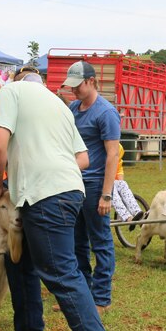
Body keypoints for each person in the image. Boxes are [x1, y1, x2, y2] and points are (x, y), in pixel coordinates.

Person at [0, 72, 113, 331]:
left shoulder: (10, 92)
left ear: (17, 80)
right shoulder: (58, 105)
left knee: (62, 273)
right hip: (65, 191)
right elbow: (82, 159)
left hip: (44, 194)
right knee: (20, 263)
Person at [63, 60, 121, 313]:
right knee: (77, 243)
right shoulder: (74, 108)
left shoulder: (106, 113)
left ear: (91, 81)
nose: (73, 91)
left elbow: (112, 154)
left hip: (97, 185)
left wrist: (106, 194)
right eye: (71, 86)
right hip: (76, 185)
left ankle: (101, 299)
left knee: (100, 242)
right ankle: (83, 295)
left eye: (77, 86)